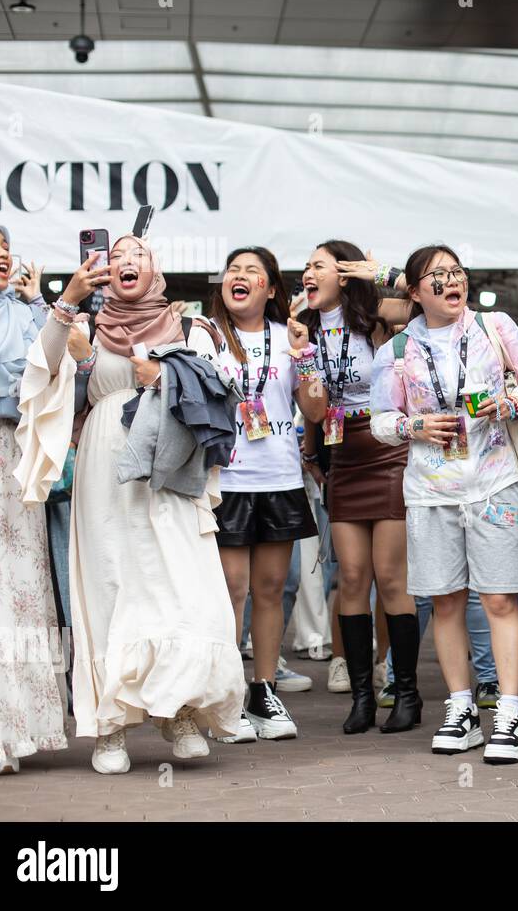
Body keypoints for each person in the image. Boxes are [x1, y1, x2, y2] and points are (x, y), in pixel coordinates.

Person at [19, 234, 245, 773]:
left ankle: (180, 710)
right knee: (110, 583)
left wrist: (166, 376)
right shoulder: (87, 328)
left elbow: (226, 387)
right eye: (116, 255)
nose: (126, 261)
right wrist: (71, 314)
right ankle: (110, 727)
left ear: (156, 268)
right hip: (104, 464)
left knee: (178, 582)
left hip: (170, 470)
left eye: (138, 254)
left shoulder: (191, 326)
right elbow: (41, 369)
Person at [370, 244, 518, 763]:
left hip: (495, 484)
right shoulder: (398, 350)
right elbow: (381, 421)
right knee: (446, 600)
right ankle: (461, 706)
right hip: (430, 491)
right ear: (414, 292)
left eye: (456, 272)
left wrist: (510, 401)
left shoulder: (496, 329)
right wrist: (414, 426)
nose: (451, 282)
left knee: (498, 599)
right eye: (437, 276)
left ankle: (509, 713)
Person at [299, 240, 420, 734]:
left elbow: (423, 300)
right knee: (351, 578)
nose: (307, 272)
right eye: (305, 266)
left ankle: (406, 693)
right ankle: (362, 695)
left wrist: (383, 273)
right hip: (342, 452)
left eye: (318, 265)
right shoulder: (303, 329)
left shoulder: (376, 318)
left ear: (343, 276)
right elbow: (311, 410)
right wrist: (311, 455)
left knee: (391, 578)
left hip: (389, 448)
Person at [210, 247, 327, 741]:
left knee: (271, 589)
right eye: (233, 271)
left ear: (272, 289)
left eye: (251, 272)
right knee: (230, 590)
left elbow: (316, 412)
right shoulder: (207, 336)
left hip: (278, 477)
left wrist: (303, 355)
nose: (239, 277)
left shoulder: (290, 338)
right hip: (227, 479)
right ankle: (227, 695)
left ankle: (264, 689)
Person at [0, 225, 66, 775]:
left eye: (7, 246)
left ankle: (12, 728)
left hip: (19, 458)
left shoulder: (24, 312)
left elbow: (51, 368)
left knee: (17, 590)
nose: (3, 254)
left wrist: (49, 304)